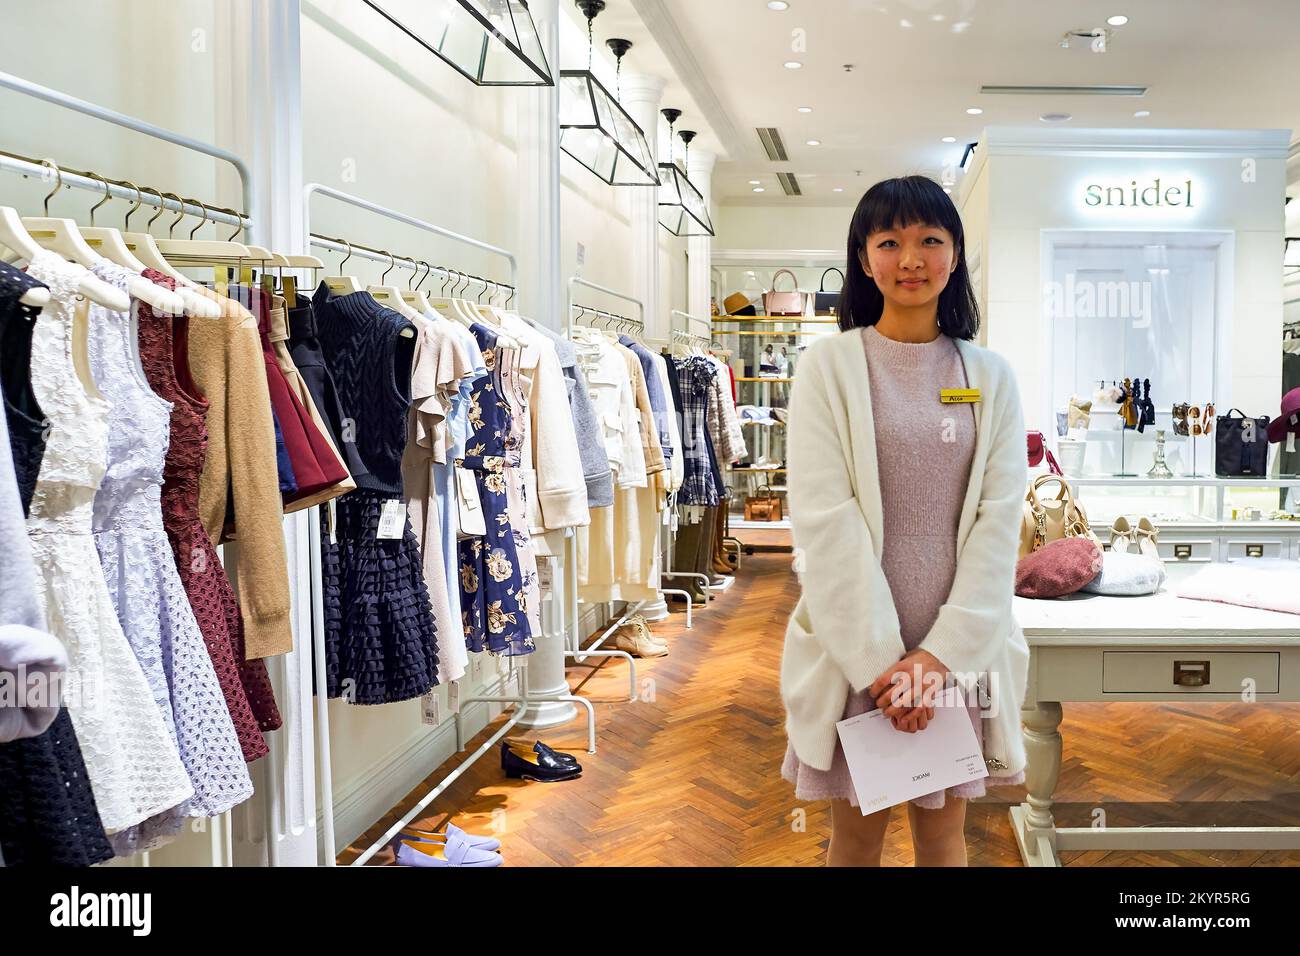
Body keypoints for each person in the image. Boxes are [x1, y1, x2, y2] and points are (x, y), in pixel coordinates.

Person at [779, 175, 1029, 867]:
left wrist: (938, 660)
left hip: (957, 642)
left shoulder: (989, 375)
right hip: (858, 638)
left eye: (930, 240)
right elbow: (825, 520)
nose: (910, 258)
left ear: (955, 255)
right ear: (864, 258)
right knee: (856, 836)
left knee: (945, 836)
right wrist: (885, 666)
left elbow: (997, 519)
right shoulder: (828, 368)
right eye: (889, 241)